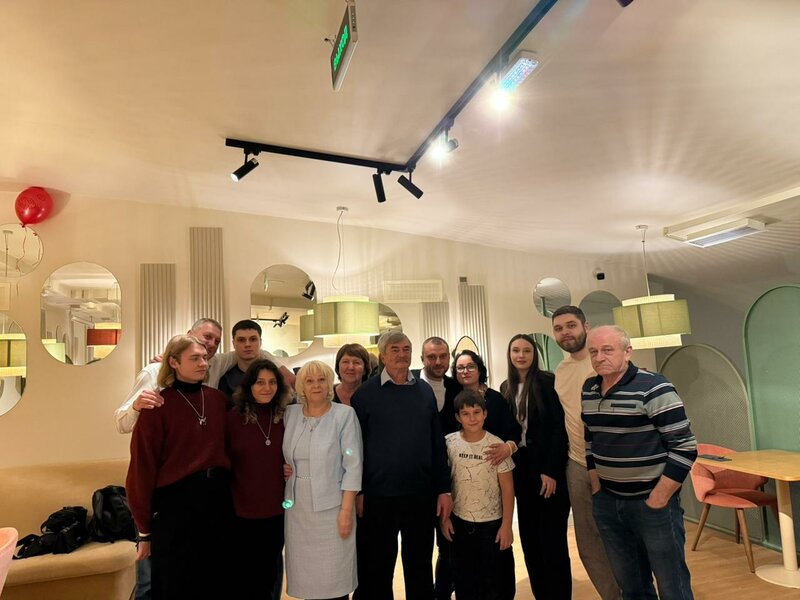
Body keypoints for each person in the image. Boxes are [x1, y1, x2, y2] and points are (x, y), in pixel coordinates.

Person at [583, 326, 697, 600]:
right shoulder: (589, 389)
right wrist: (597, 486)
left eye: (607, 350)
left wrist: (659, 498)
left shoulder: (654, 387)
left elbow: (685, 446)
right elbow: (590, 438)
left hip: (652, 504)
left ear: (627, 352)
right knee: (632, 586)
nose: (599, 357)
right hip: (609, 503)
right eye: (593, 352)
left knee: (672, 586)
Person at [126, 335, 231, 600]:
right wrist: (144, 530)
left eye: (204, 358)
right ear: (174, 362)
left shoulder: (218, 400)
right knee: (175, 583)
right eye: (194, 358)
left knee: (216, 581)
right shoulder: (156, 405)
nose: (203, 363)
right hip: (176, 506)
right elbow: (142, 468)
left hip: (218, 501)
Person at [351, 331, 452, 600]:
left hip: (420, 496)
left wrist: (443, 489)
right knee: (377, 570)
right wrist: (358, 491)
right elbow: (354, 449)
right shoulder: (365, 394)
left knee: (420, 569)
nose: (401, 354)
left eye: (406, 349)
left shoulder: (425, 391)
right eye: (395, 349)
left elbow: (437, 444)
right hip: (377, 498)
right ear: (383, 356)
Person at [551, 306, 621, 600]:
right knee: (589, 541)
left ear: (585, 327)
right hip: (577, 464)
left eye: (571, 325)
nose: (565, 332)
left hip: (613, 464)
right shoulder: (560, 371)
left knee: (621, 535)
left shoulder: (604, 364)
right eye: (559, 328)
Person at [283, 360, 363, 600]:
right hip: (297, 510)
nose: (316, 385)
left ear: (330, 384)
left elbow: (353, 466)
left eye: (321, 380)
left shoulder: (344, 415)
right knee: (308, 583)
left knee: (333, 581)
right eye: (309, 381)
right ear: (301, 386)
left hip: (333, 510)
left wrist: (346, 512)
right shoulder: (290, 414)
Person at [500, 333, 571, 599]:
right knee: (530, 541)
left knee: (552, 542)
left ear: (534, 355)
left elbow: (559, 429)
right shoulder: (505, 387)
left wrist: (551, 471)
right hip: (522, 471)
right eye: (516, 350)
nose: (521, 355)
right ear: (510, 354)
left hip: (547, 469)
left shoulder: (547, 382)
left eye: (526, 351)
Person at [226, 358, 292, 598]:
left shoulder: (288, 417)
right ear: (249, 386)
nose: (267, 388)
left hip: (277, 511)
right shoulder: (233, 418)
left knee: (269, 574)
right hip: (241, 512)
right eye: (260, 382)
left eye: (272, 382)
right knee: (245, 577)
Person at [441, 389, 515, 600]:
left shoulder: (496, 445)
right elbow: (445, 485)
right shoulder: (449, 443)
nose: (472, 418)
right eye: (465, 414)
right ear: (458, 417)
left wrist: (507, 526)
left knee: (494, 585)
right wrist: (444, 519)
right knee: (465, 582)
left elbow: (508, 489)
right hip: (460, 524)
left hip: (492, 526)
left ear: (485, 414)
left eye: (476, 412)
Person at [412, 336, 461, 600]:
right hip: (417, 481)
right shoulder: (408, 384)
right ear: (422, 359)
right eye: (432, 357)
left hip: (452, 479)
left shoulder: (456, 386)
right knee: (418, 550)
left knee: (449, 545)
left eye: (443, 356)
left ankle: (441, 594)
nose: (438, 361)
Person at [114, 318, 223, 435]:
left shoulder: (218, 367)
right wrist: (136, 406)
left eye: (217, 341)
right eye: (207, 336)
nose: (212, 344)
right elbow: (122, 426)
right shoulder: (154, 372)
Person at [218, 319, 296, 401]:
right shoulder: (225, 380)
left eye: (253, 339)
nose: (247, 344)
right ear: (234, 343)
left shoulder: (276, 376)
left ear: (260, 342)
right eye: (241, 340)